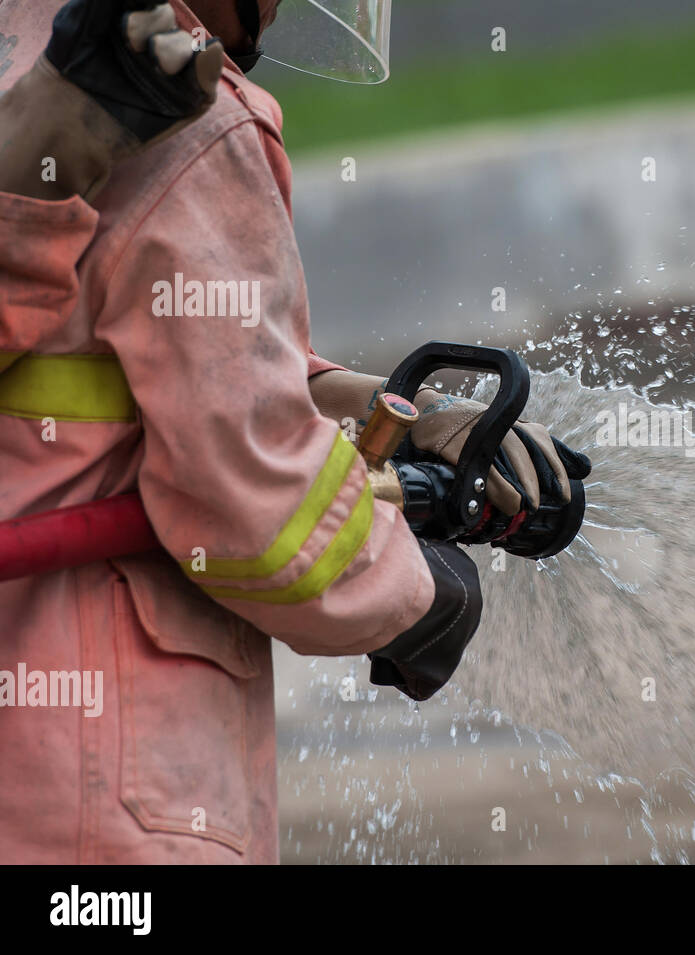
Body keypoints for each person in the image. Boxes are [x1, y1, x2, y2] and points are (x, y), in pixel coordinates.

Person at [0, 0, 587, 864]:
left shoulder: (29, 66)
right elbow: (257, 511)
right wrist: (417, 595)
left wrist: (377, 410)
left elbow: (137, 363)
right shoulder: (191, 125)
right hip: (110, 793)